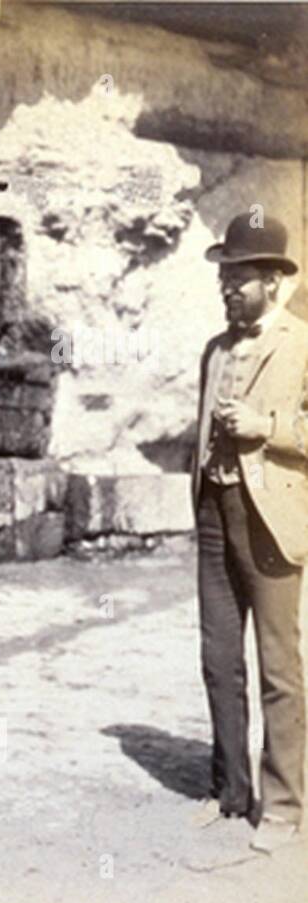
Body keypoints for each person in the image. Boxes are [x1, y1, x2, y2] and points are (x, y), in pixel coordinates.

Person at [193, 213, 308, 854]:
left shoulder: (302, 343)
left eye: (238, 277)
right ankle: (230, 792)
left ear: (272, 280)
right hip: (213, 512)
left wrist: (268, 425)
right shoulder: (214, 349)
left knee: (279, 668)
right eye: (223, 277)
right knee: (217, 661)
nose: (226, 288)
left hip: (270, 519)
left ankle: (287, 807)